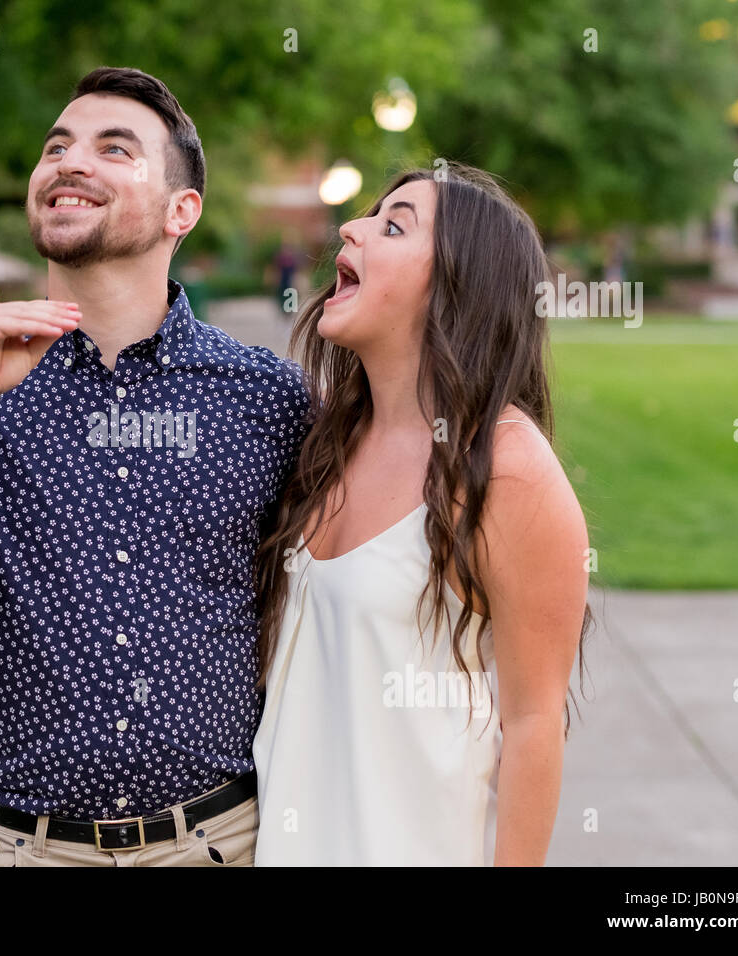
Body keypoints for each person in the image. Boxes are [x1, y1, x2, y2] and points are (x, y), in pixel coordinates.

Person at [0, 67, 310, 866]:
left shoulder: (264, 398)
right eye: (57, 147)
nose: (70, 162)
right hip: (15, 850)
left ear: (183, 210)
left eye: (115, 149)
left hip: (216, 845)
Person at [252, 163, 593, 866]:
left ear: (458, 285)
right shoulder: (326, 442)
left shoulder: (507, 470)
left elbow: (533, 723)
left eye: (393, 224)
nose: (350, 228)